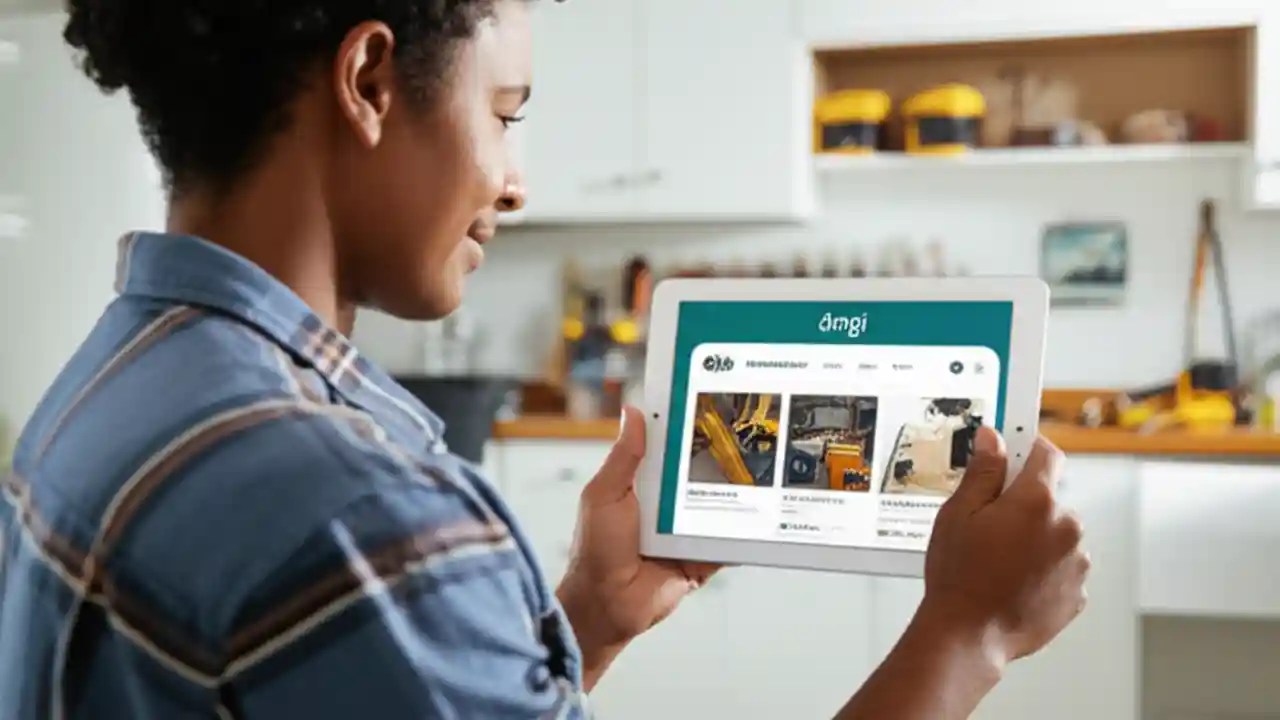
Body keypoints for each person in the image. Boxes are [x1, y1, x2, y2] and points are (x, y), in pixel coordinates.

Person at [0, 0, 1089, 717]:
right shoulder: (358, 509)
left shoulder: (102, 387)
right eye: (503, 114)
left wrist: (583, 618)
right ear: (371, 80)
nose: (516, 181)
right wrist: (967, 632)